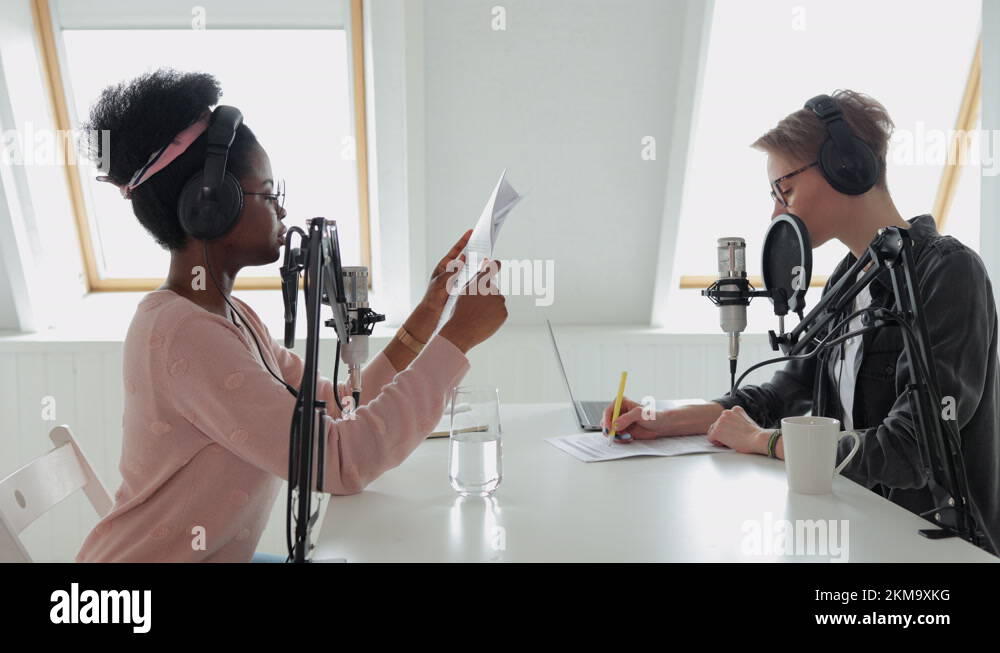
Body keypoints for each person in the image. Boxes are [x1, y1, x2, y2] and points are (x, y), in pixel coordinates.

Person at [75, 69, 507, 562]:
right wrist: (457, 341)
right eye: (268, 192)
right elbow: (340, 462)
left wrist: (432, 312)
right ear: (210, 207)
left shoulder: (229, 317)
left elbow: (340, 406)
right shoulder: (184, 336)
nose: (283, 211)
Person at [603, 89, 1000, 555]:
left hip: (934, 545)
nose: (777, 212)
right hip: (856, 525)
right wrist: (663, 421)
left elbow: (914, 451)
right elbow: (779, 395)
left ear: (846, 166)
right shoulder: (846, 284)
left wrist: (764, 442)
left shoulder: (948, 272)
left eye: (785, 190)